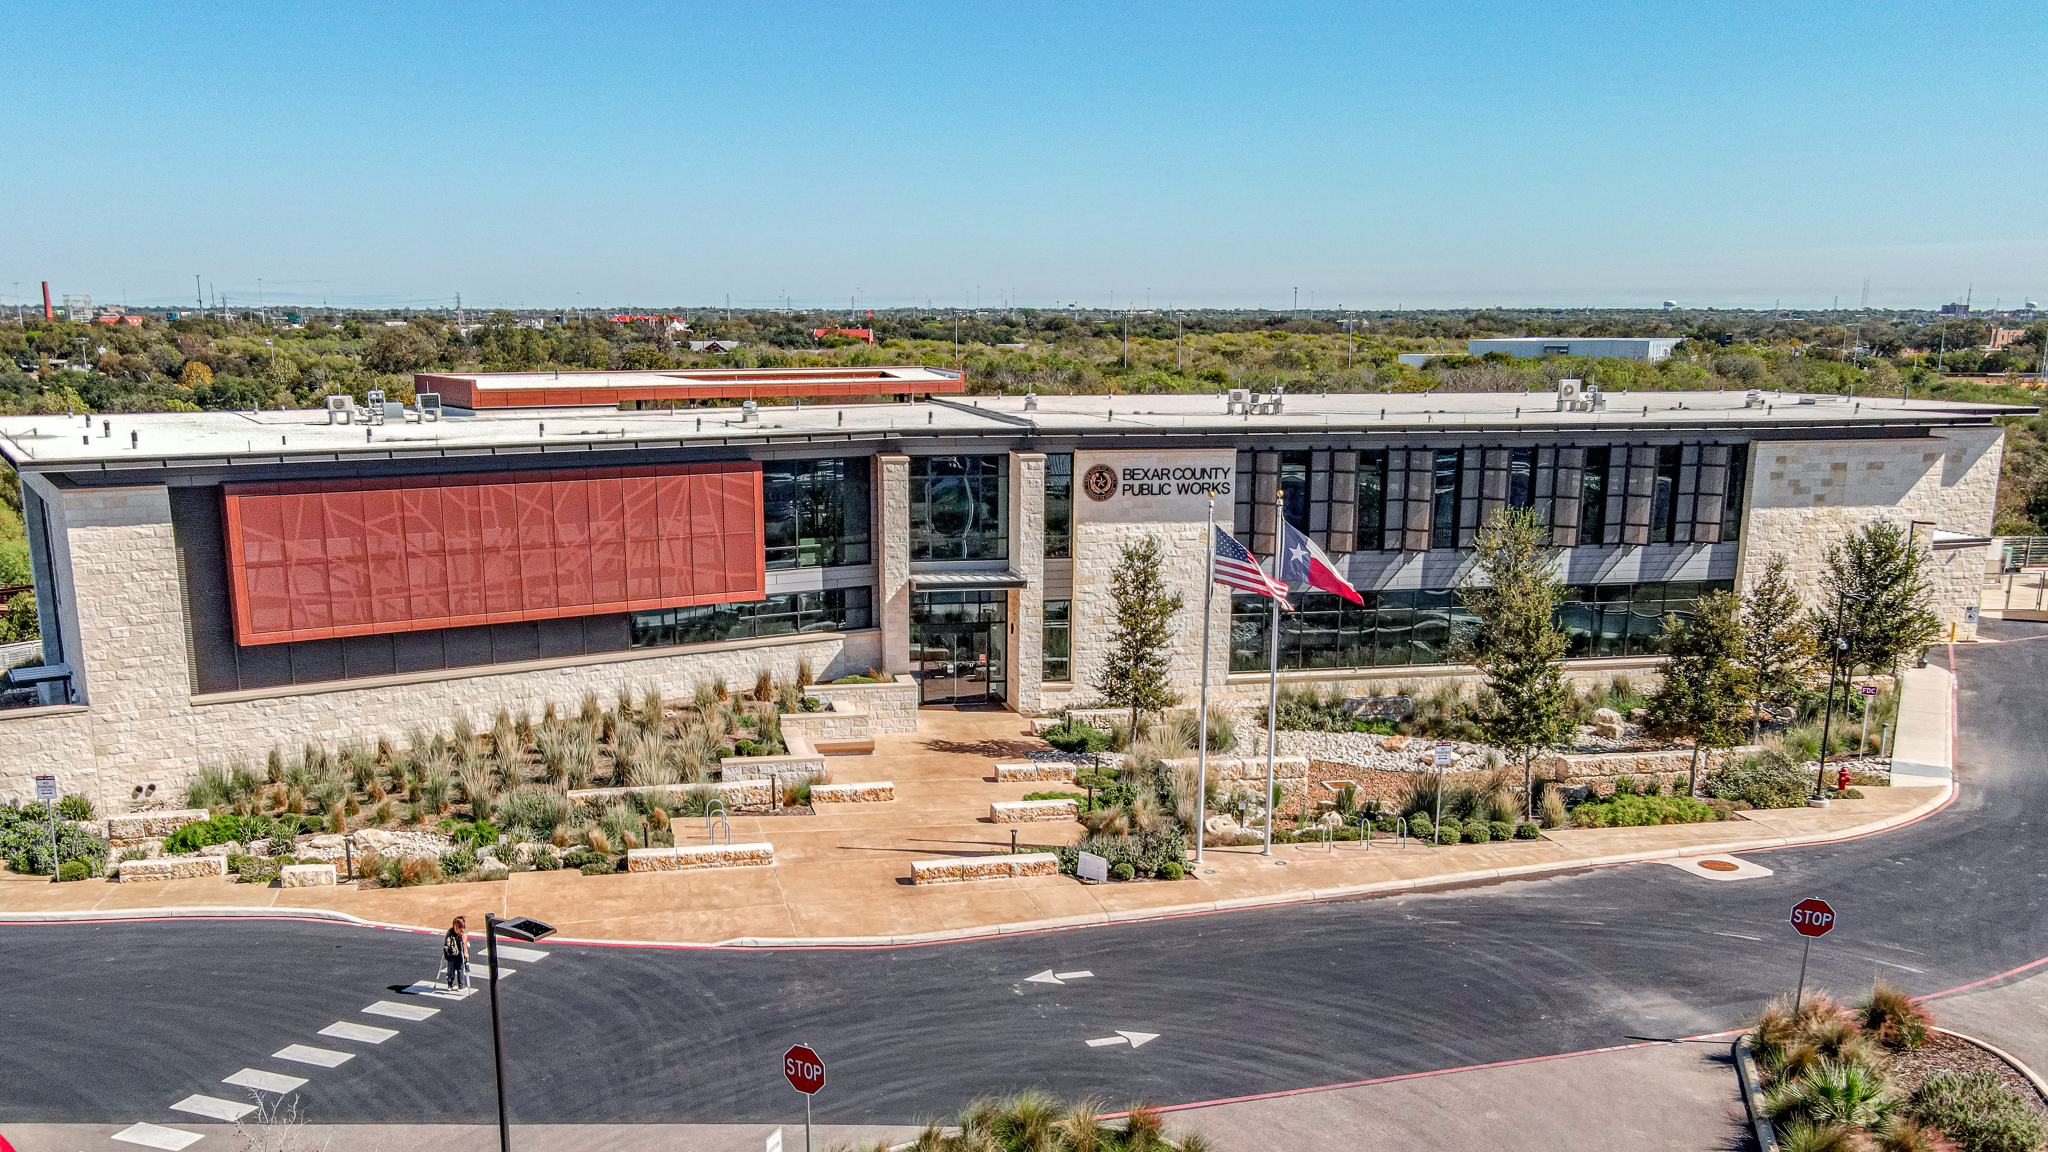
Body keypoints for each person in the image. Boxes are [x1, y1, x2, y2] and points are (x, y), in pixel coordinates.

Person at [442, 916, 470, 990]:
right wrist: (465, 953)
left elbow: (446, 940)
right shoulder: (463, 933)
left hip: (450, 954)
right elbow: (464, 943)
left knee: (451, 969)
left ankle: (449, 985)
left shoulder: (450, 931)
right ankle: (460, 986)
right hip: (459, 954)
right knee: (460, 969)